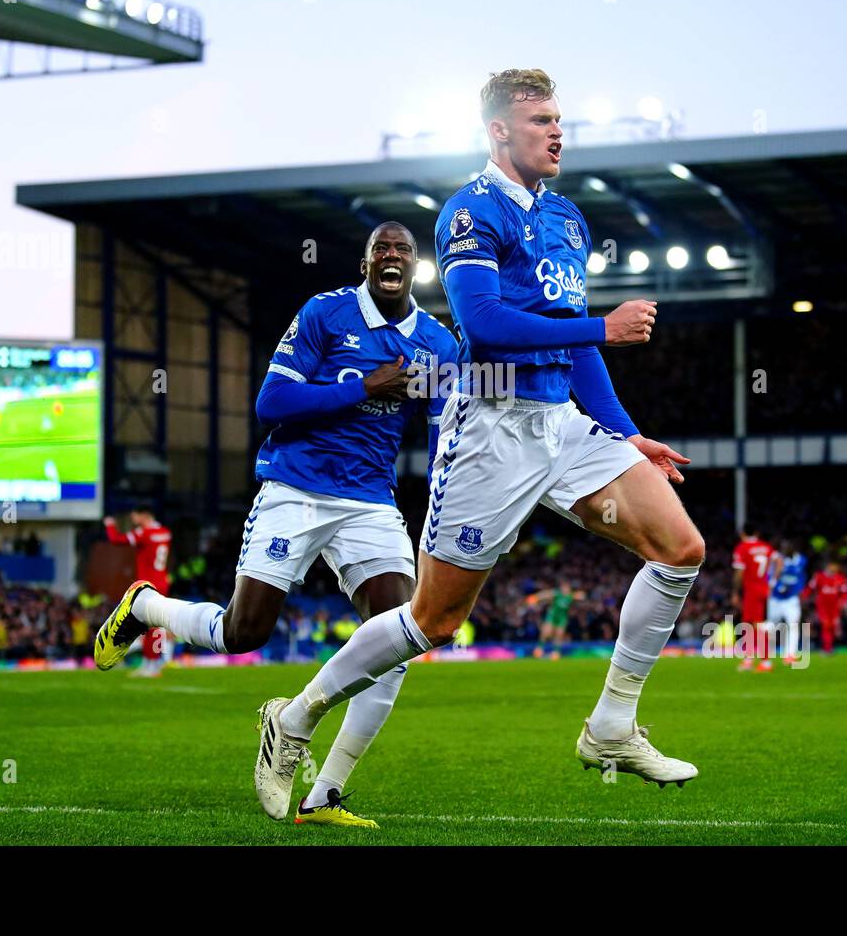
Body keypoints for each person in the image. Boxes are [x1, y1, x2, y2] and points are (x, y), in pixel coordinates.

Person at [255, 69, 705, 819]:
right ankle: (294, 718)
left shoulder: (566, 219)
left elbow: (573, 340)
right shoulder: (470, 213)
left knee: (681, 548)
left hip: (560, 419)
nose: (557, 132)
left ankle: (611, 727)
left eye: (561, 120)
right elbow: (486, 325)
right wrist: (605, 326)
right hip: (490, 425)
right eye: (541, 121)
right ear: (499, 131)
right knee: (433, 622)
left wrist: (626, 432)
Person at [95, 221, 458, 828]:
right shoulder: (325, 314)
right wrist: (363, 385)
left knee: (399, 635)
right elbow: (271, 403)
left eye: (403, 249)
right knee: (244, 633)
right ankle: (146, 608)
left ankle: (326, 794)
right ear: (366, 262)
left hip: (369, 499)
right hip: (295, 486)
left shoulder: (437, 344)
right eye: (381, 249)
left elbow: (443, 429)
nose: (391, 256)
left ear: (417, 266)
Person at [102, 506, 173, 674]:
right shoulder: (165, 532)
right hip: (161, 581)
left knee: (150, 625)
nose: (133, 518)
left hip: (149, 584)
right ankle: (150, 662)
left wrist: (110, 524)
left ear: (144, 515)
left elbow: (117, 540)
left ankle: (153, 664)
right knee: (150, 624)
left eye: (135, 515)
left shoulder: (144, 533)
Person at [732, 527, 776, 672]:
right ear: (756, 533)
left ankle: (765, 662)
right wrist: (772, 582)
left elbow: (739, 572)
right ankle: (749, 659)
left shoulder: (742, 548)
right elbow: (779, 561)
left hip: (751, 590)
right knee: (751, 624)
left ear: (743, 534)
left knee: (755, 625)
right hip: (763, 589)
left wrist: (735, 592)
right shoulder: (766, 547)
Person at [767, 540, 807, 663]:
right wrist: (775, 585)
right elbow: (769, 575)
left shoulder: (801, 560)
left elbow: (801, 576)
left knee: (794, 625)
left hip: (791, 599)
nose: (784, 550)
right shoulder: (776, 559)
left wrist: (800, 592)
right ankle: (766, 652)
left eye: (787, 547)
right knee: (771, 626)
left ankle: (790, 655)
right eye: (782, 547)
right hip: (776, 599)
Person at [803, 561, 847, 654]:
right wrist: (805, 596)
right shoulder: (818, 577)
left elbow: (845, 592)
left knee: (833, 626)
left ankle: (829, 647)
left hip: (835, 607)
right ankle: (827, 648)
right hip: (823, 606)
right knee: (826, 626)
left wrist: (844, 602)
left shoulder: (840, 579)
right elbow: (810, 588)